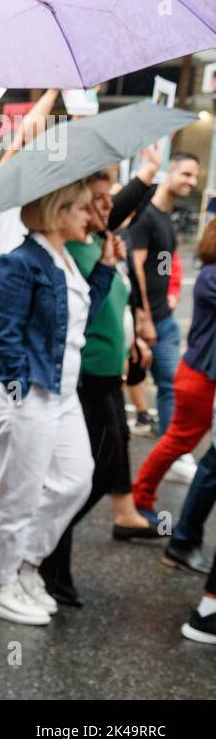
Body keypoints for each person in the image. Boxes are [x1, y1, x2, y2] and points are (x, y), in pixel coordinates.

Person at [0, 180, 119, 626]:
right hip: (26, 393)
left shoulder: (66, 261)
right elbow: (7, 333)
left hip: (59, 391)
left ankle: (26, 564)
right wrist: (20, 395)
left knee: (76, 481)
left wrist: (105, 270)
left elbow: (77, 323)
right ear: (57, 212)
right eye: (80, 209)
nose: (89, 217)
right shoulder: (20, 262)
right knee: (18, 493)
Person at [38, 169, 165, 606]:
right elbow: (85, 309)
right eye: (95, 200)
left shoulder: (100, 241)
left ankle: (52, 558)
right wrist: (146, 175)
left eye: (109, 199)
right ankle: (46, 553)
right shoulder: (71, 244)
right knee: (87, 474)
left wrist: (131, 342)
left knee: (102, 467)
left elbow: (117, 302)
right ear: (71, 206)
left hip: (111, 372)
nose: (106, 207)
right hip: (86, 377)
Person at [131, 215, 216, 522]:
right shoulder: (210, 276)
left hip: (196, 368)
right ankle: (140, 497)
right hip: (199, 377)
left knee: (179, 440)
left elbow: (170, 269)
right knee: (176, 441)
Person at [129, 153, 199, 447]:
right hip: (149, 320)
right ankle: (170, 451)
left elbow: (161, 263)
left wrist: (170, 292)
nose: (191, 182)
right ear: (168, 173)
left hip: (164, 317)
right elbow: (137, 269)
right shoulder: (145, 217)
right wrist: (144, 317)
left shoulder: (166, 218)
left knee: (170, 385)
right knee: (168, 385)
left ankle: (169, 451)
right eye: (185, 174)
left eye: (194, 176)